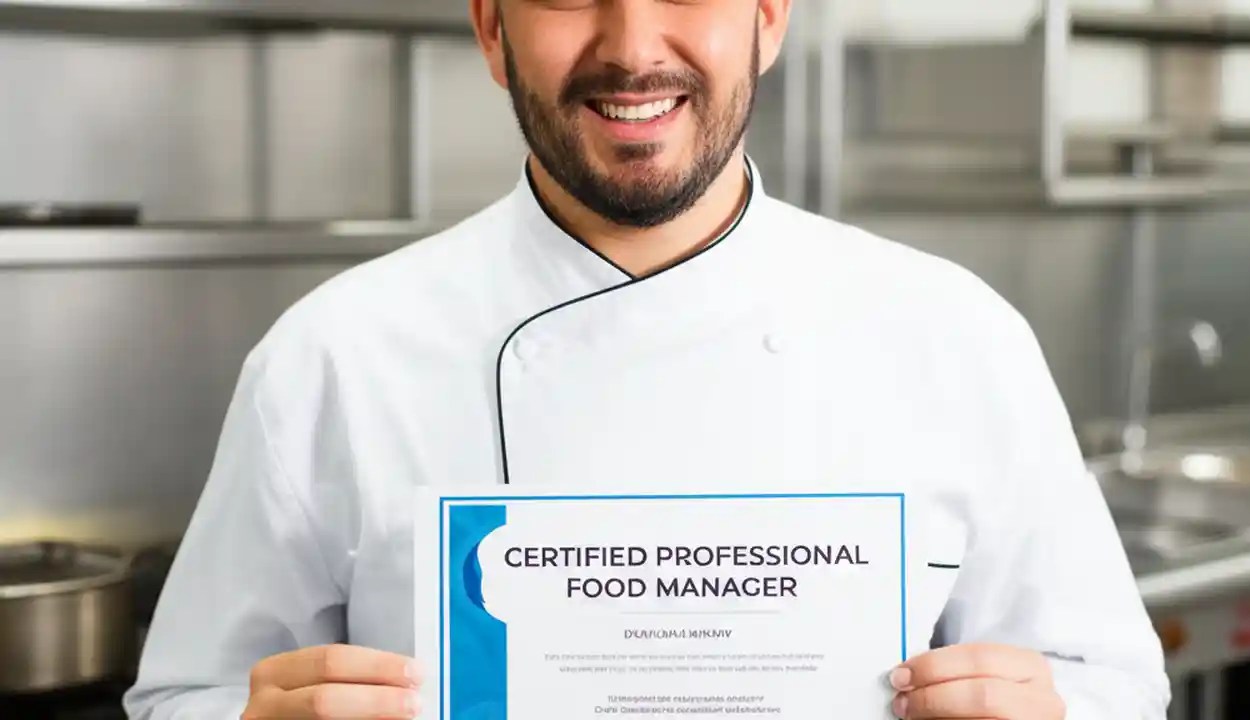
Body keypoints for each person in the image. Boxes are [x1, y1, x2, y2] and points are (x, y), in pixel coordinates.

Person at [124, 1, 1171, 718]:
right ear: (491, 31)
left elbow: (1115, 686)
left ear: (766, 18)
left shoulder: (955, 335)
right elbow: (181, 696)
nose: (631, 47)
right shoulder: (333, 355)